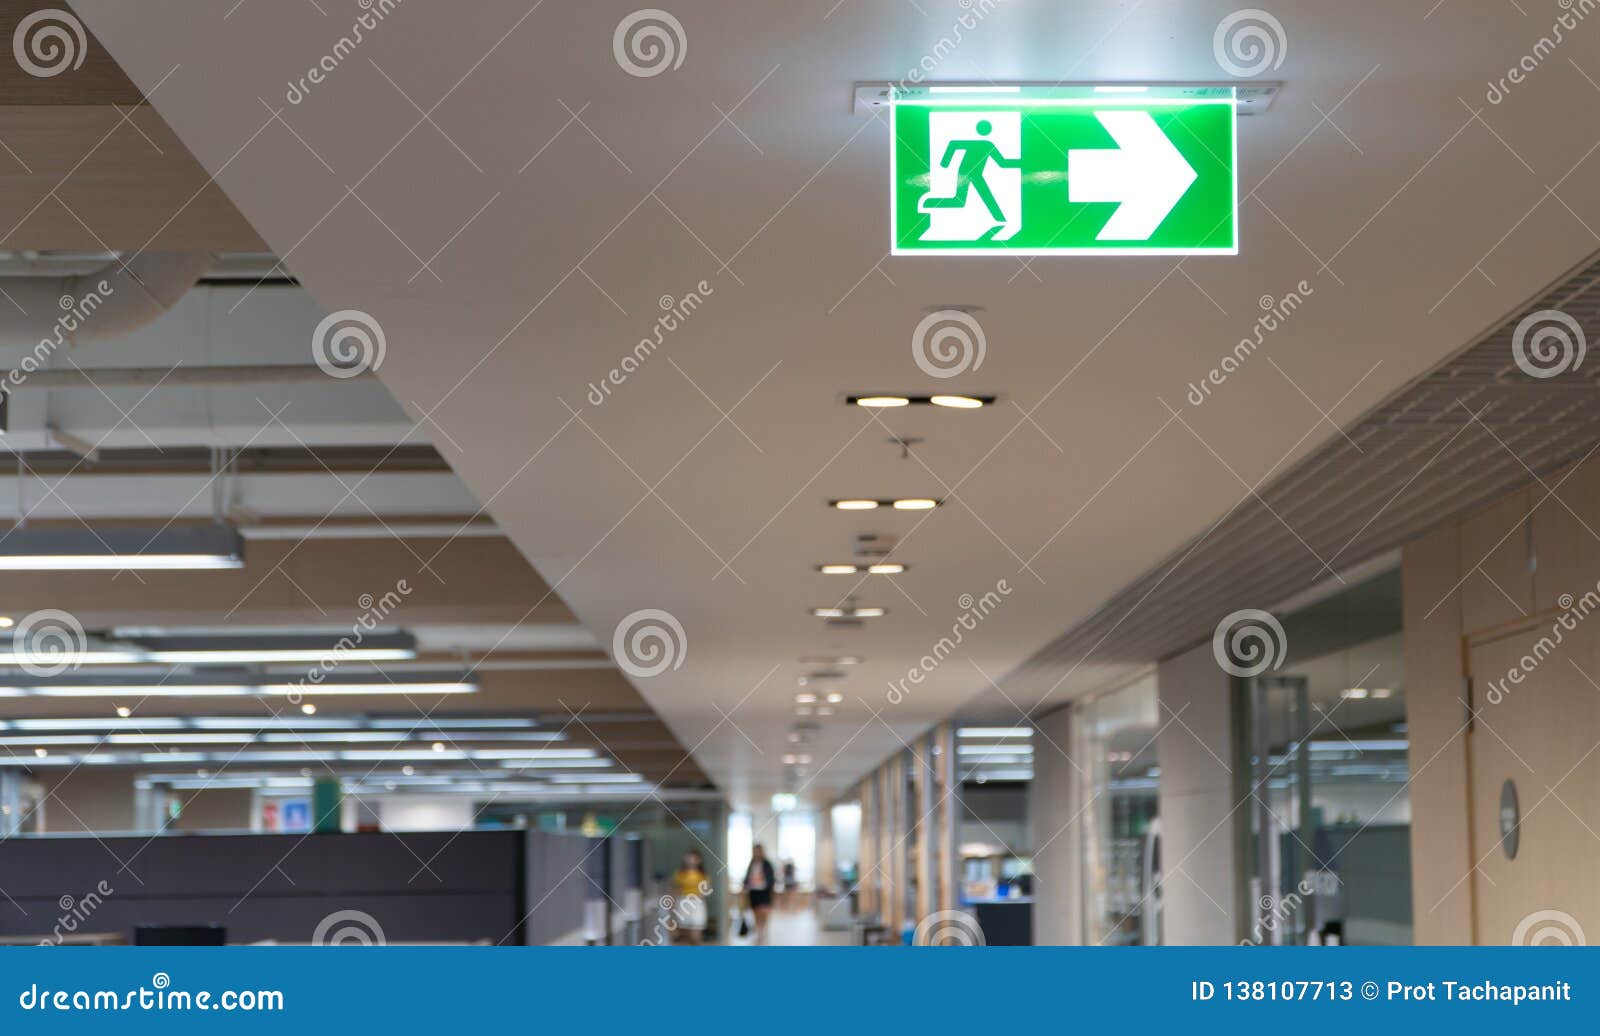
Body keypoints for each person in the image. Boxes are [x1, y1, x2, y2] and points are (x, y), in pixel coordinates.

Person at [669, 850, 709, 945]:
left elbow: (706, 889)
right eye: (689, 857)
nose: (691, 860)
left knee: (696, 932)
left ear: (699, 860)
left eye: (694, 858)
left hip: (697, 903)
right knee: (685, 932)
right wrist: (672, 907)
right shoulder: (680, 874)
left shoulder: (703, 875)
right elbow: (675, 890)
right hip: (683, 903)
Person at [742, 843, 777, 944]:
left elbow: (771, 879)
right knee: (756, 913)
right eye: (755, 851)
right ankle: (759, 932)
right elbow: (747, 877)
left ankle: (763, 931)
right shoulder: (751, 863)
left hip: (764, 892)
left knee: (764, 913)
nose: (757, 853)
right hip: (754, 892)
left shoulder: (767, 864)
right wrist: (746, 886)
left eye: (758, 851)